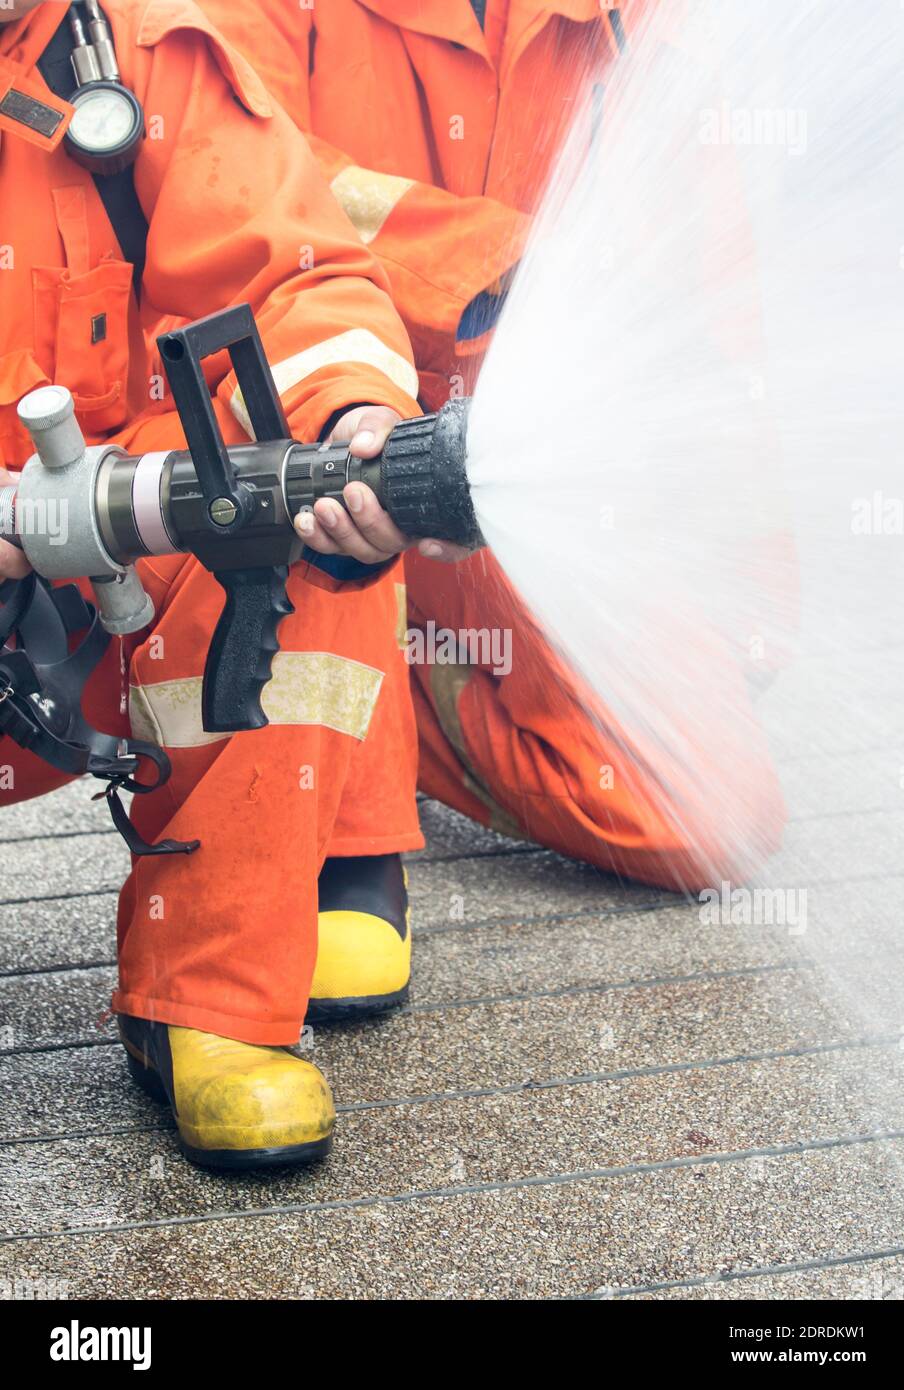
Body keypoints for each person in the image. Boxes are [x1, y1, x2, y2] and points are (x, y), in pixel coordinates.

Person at [197, 0, 789, 991]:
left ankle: (408, 694)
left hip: (538, 483)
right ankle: (350, 779)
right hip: (319, 423)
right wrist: (494, 261)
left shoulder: (637, 21)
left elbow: (714, 319)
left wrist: (747, 595)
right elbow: (237, 189)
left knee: (708, 814)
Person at [0, 0, 461, 1169]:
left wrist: (354, 417)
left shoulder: (148, 53)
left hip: (94, 608)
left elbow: (292, 272)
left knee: (279, 497)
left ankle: (205, 1002)